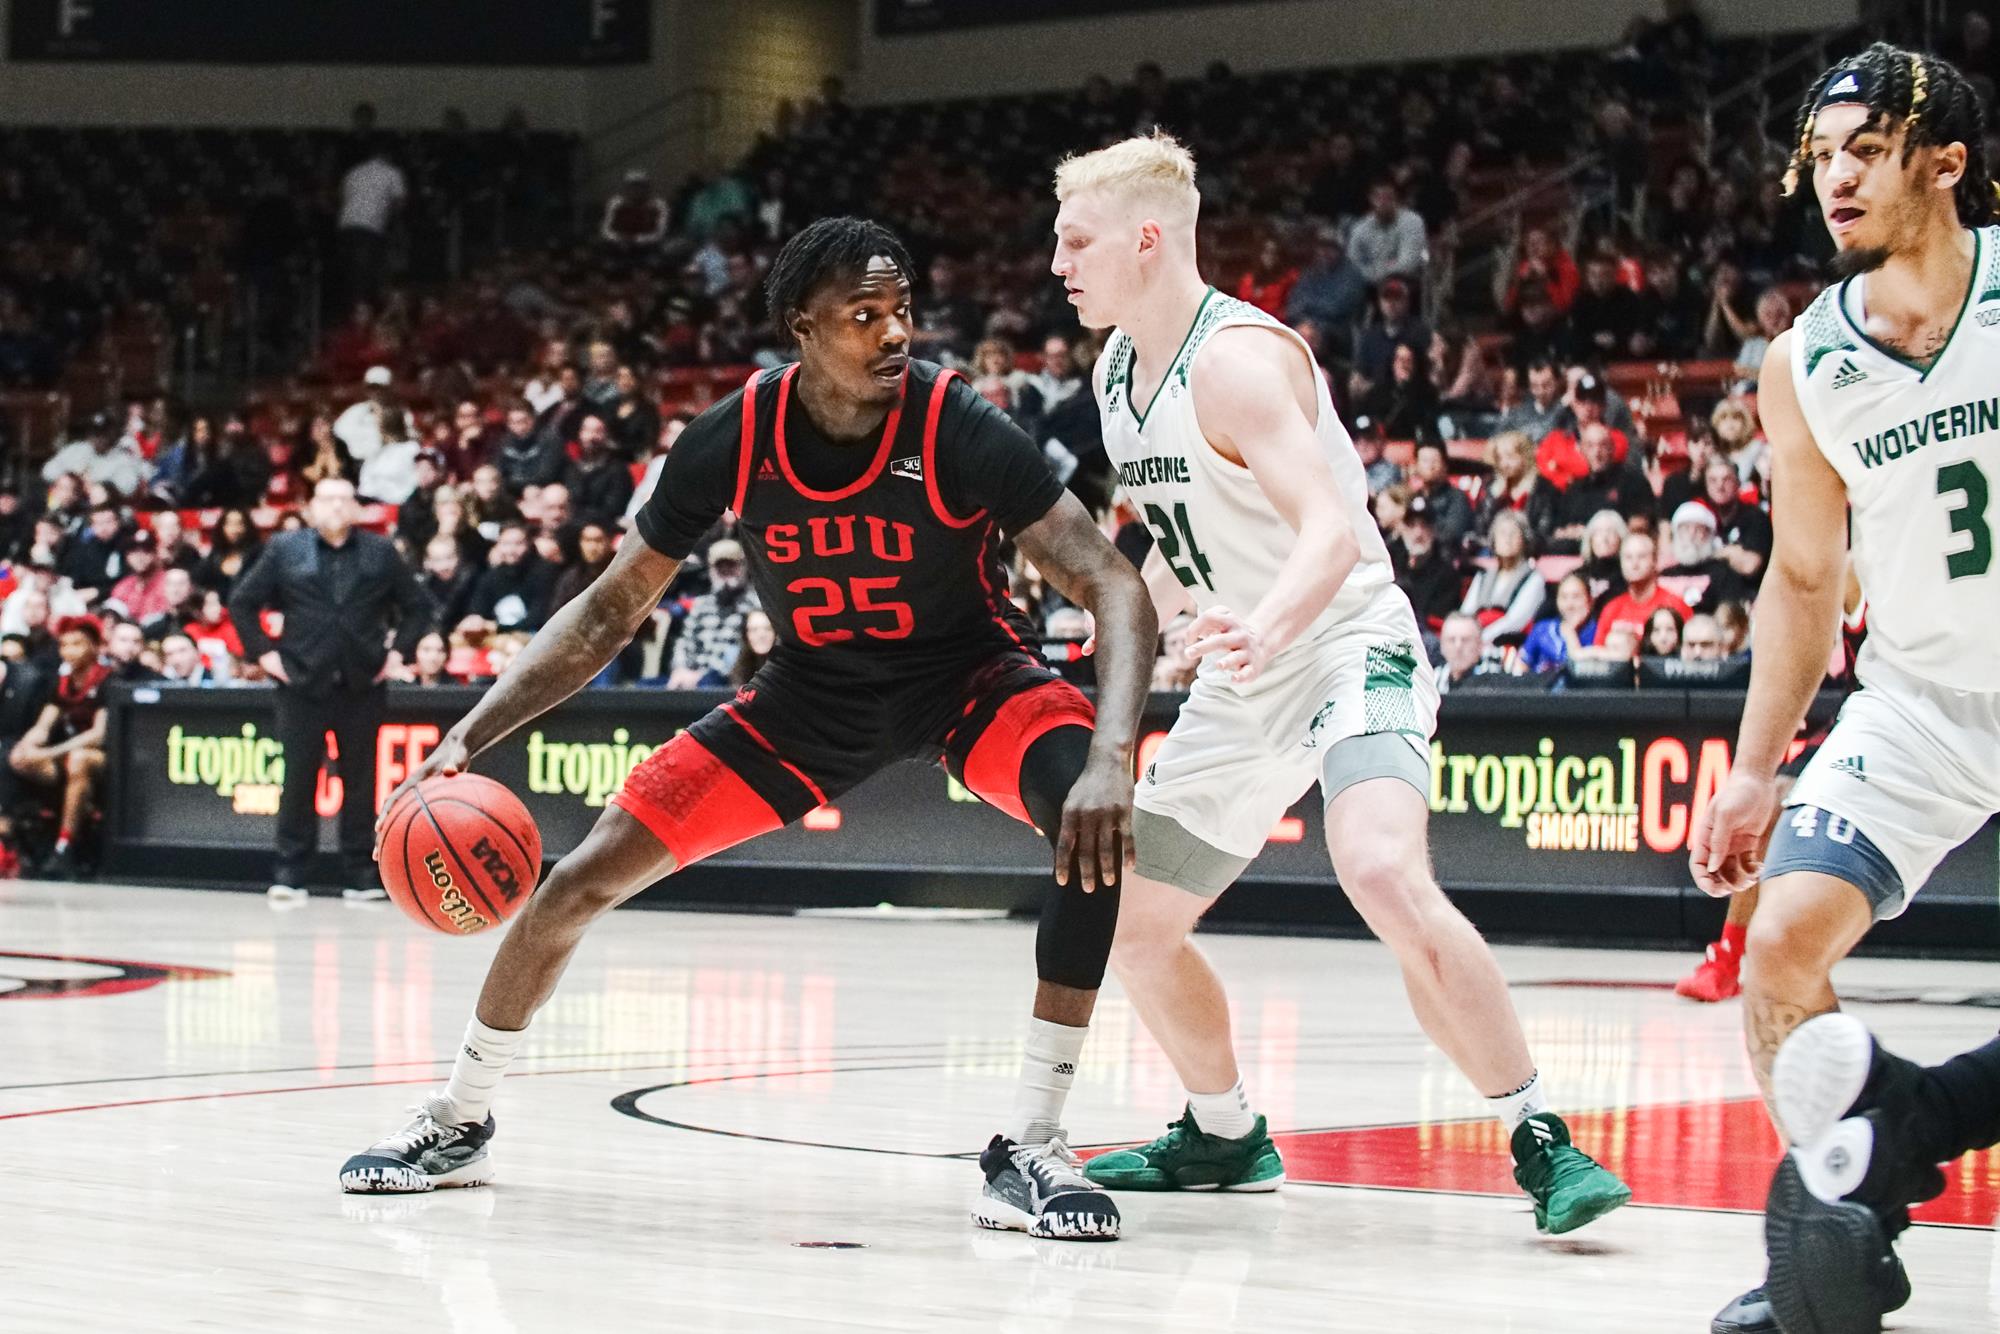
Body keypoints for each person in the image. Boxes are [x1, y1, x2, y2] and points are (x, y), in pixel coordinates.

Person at [340, 218, 1157, 1247]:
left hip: (965, 677)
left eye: (902, 310)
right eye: (864, 315)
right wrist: (469, 733)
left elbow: (1110, 582)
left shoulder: (954, 422)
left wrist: (1110, 756)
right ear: (800, 326)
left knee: (1085, 822)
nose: (893, 331)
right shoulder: (732, 436)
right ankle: (458, 1116)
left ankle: (1031, 1142)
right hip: (805, 697)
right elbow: (603, 613)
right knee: (575, 879)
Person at [1053, 132, 1627, 1229]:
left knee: (1377, 868)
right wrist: (1146, 634)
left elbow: (1329, 533)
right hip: (1248, 663)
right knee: (1125, 918)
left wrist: (1262, 628)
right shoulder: (1116, 371)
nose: (1057, 264)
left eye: (1074, 241)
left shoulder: (1237, 358)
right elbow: (1176, 541)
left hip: (1342, 634)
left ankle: (1539, 1132)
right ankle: (1221, 1133)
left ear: (1144, 238)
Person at [1689, 47, 2000, 1334]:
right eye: (1820, 156)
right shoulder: (1803, 363)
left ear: (1946, 161)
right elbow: (1804, 580)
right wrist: (1755, 765)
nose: (1835, 177)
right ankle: (1826, 1232)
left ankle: (1905, 1126)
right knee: (1777, 947)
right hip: (1922, 698)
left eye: (1865, 148)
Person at [228, 478, 434, 905]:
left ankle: (360, 874)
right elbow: (242, 602)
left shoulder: (380, 551)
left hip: (362, 682)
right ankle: (290, 873)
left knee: (361, 781)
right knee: (299, 778)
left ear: (358, 508)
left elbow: (418, 606)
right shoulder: (286, 549)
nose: (337, 506)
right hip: (301, 682)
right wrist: (264, 656)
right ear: (311, 508)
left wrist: (396, 654)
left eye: (345, 499)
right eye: (328, 499)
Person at [8, 615, 110, 877]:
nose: (69, 651)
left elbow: (99, 735)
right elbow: (44, 725)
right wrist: (27, 746)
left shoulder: (106, 680)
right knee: (18, 757)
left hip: (105, 759)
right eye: (64, 645)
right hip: (66, 757)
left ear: (95, 646)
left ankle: (65, 846)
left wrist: (49, 753)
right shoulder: (61, 682)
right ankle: (21, 831)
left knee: (79, 759)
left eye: (77, 644)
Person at [666, 538, 760, 689]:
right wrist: (680, 669)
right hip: (690, 677)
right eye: (720, 567)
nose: (726, 572)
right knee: (644, 688)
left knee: (711, 681)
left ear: (743, 567)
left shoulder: (755, 606)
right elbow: (685, 642)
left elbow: (740, 652)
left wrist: (700, 676)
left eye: (731, 565)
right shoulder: (701, 605)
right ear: (711, 570)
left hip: (729, 680)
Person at [1460, 511, 1545, 645]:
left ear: (1524, 540)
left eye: (1513, 534)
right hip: (1474, 639)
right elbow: (1466, 613)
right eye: (1502, 533)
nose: (1507, 539)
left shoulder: (1533, 578)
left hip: (1508, 643)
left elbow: (1516, 621)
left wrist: (1479, 639)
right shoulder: (1483, 576)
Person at [1595, 532, 1690, 649]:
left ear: (1655, 561)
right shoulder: (1612, 609)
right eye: (1628, 557)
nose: (1634, 564)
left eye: (1641, 556)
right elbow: (1599, 655)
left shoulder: (1676, 605)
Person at [1519, 571, 1597, 674]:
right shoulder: (1542, 629)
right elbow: (1521, 666)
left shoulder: (1597, 633)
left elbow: (1581, 672)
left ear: (1590, 600)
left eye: (1576, 596)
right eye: (1564, 597)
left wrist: (1570, 633)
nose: (1569, 605)